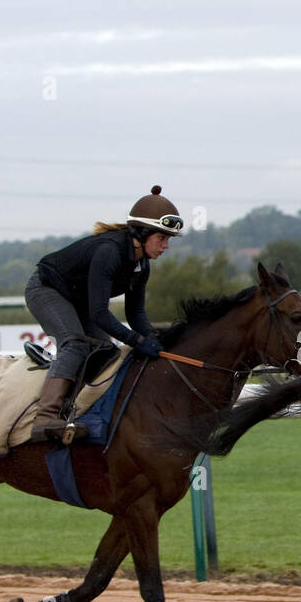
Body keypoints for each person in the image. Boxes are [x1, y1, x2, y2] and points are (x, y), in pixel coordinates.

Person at [23, 185, 184, 442]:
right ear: (142, 234)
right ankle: (44, 419)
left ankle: (75, 411)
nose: (165, 246)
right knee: (75, 344)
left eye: (168, 240)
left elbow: (136, 313)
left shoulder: (141, 265)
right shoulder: (109, 252)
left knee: (105, 352)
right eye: (162, 238)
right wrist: (137, 341)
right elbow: (99, 314)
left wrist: (154, 337)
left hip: (76, 298)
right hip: (45, 288)